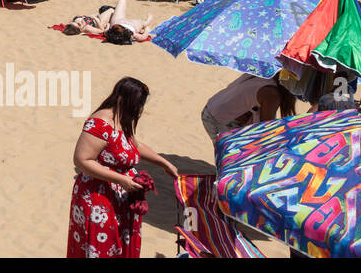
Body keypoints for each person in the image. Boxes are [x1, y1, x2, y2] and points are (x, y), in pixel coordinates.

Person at [68, 77, 179, 258]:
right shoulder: (99, 123)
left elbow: (133, 145)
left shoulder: (121, 119)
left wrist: (164, 163)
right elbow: (82, 160)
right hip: (98, 199)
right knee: (101, 247)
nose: (139, 109)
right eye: (137, 104)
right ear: (122, 99)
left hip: (120, 197)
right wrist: (121, 179)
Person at [200, 72, 295, 142]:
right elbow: (265, 128)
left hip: (210, 109)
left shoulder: (261, 73)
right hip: (221, 121)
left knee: (225, 157)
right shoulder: (271, 94)